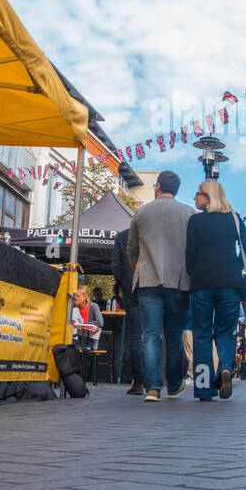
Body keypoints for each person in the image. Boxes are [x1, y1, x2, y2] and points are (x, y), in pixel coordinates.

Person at [127, 171, 193, 403]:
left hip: (148, 282)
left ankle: (152, 389)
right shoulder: (189, 213)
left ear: (157, 187)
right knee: (174, 336)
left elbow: (132, 250)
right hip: (179, 282)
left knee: (150, 336)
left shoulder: (141, 212)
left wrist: (141, 268)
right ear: (176, 189)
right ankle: (174, 386)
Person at [184, 179, 246, 402]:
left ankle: (204, 389)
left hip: (202, 284)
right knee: (225, 331)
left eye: (198, 194)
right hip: (230, 284)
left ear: (208, 197)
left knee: (202, 335)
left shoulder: (195, 221)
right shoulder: (234, 219)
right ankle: (225, 368)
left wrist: (196, 272)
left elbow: (189, 255)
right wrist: (237, 268)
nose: (195, 198)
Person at [111, 227, 145, 396]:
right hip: (152, 287)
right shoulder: (152, 232)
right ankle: (157, 380)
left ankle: (138, 380)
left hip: (130, 289)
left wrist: (123, 284)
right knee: (154, 334)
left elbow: (116, 265)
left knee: (135, 336)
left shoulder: (122, 236)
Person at [71, 284, 103, 352]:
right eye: (75, 295)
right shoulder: (74, 307)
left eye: (78, 296)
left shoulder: (94, 306)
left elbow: (100, 322)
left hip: (89, 338)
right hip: (77, 337)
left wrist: (82, 324)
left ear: (85, 297)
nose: (76, 297)